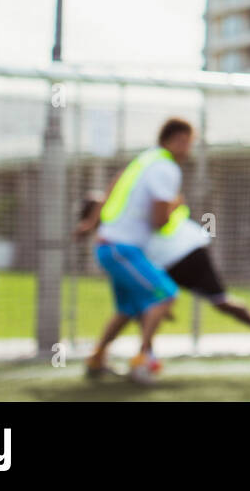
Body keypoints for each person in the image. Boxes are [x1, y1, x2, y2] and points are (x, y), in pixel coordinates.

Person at [75, 191, 250, 362]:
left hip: (186, 250)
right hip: (161, 262)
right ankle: (109, 356)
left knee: (220, 301)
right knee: (131, 309)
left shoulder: (129, 204)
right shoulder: (114, 239)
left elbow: (173, 198)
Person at [74, 118, 190, 384]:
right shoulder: (165, 168)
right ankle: (142, 361)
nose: (187, 149)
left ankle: (96, 358)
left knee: (127, 309)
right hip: (122, 249)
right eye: (184, 142)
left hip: (111, 247)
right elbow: (160, 221)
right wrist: (175, 206)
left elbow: (114, 183)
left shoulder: (144, 161)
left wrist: (92, 223)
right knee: (165, 295)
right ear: (169, 140)